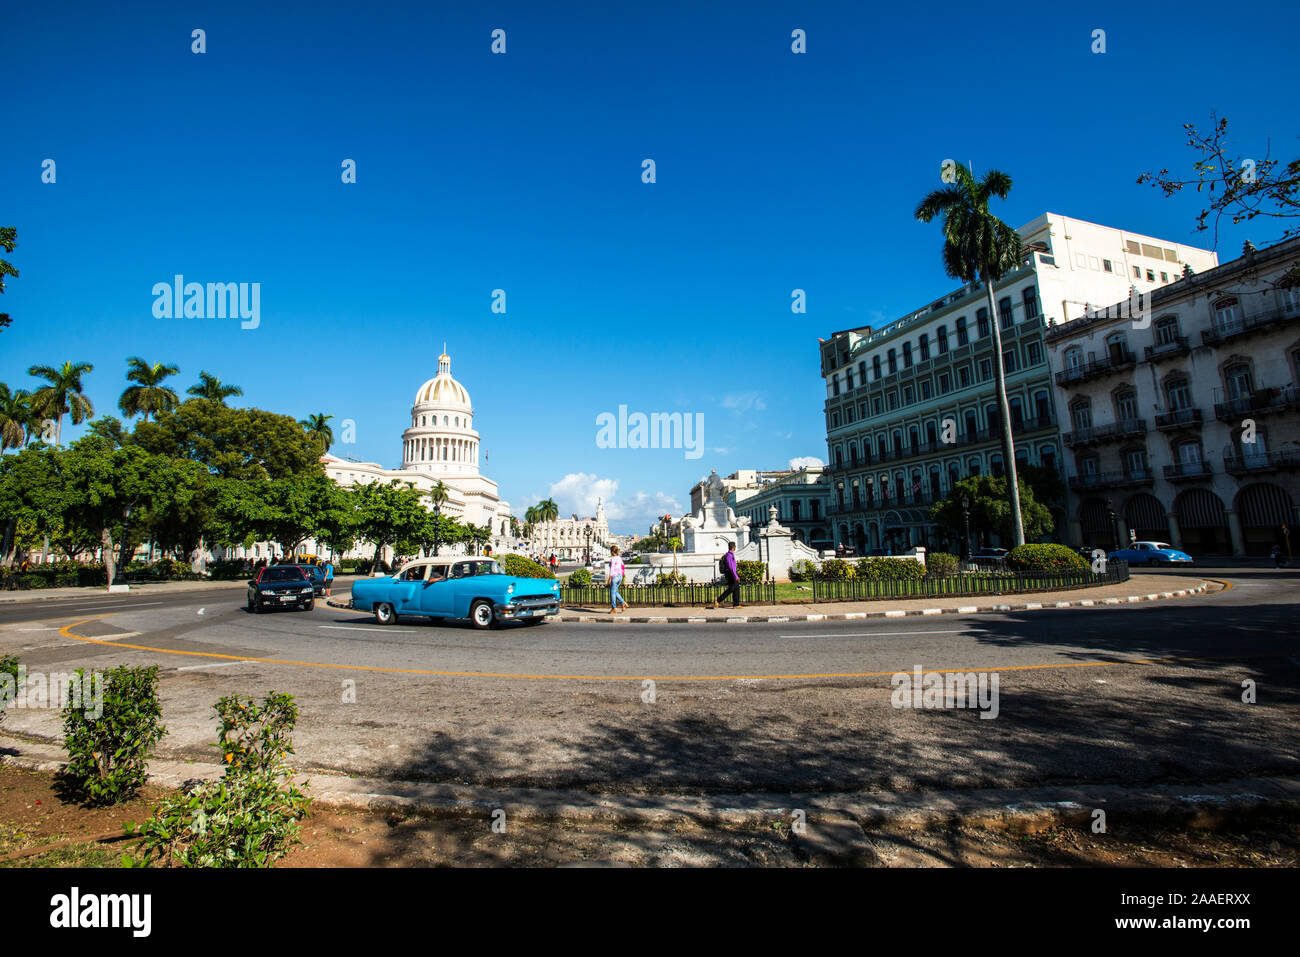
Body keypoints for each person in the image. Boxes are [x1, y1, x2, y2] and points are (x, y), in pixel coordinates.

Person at [708, 542, 743, 609]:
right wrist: (735, 576)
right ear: (733, 547)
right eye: (735, 546)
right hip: (730, 574)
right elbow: (731, 567)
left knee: (736, 588)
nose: (735, 547)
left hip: (731, 573)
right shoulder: (729, 555)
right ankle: (718, 600)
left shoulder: (730, 554)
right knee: (732, 588)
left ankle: (736, 604)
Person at [607, 545, 629, 614]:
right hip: (620, 576)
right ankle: (623, 603)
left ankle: (614, 608)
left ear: (612, 552)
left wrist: (609, 578)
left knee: (612, 593)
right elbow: (623, 567)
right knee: (614, 592)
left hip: (615, 576)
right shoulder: (619, 558)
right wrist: (622, 575)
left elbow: (612, 569)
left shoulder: (613, 559)